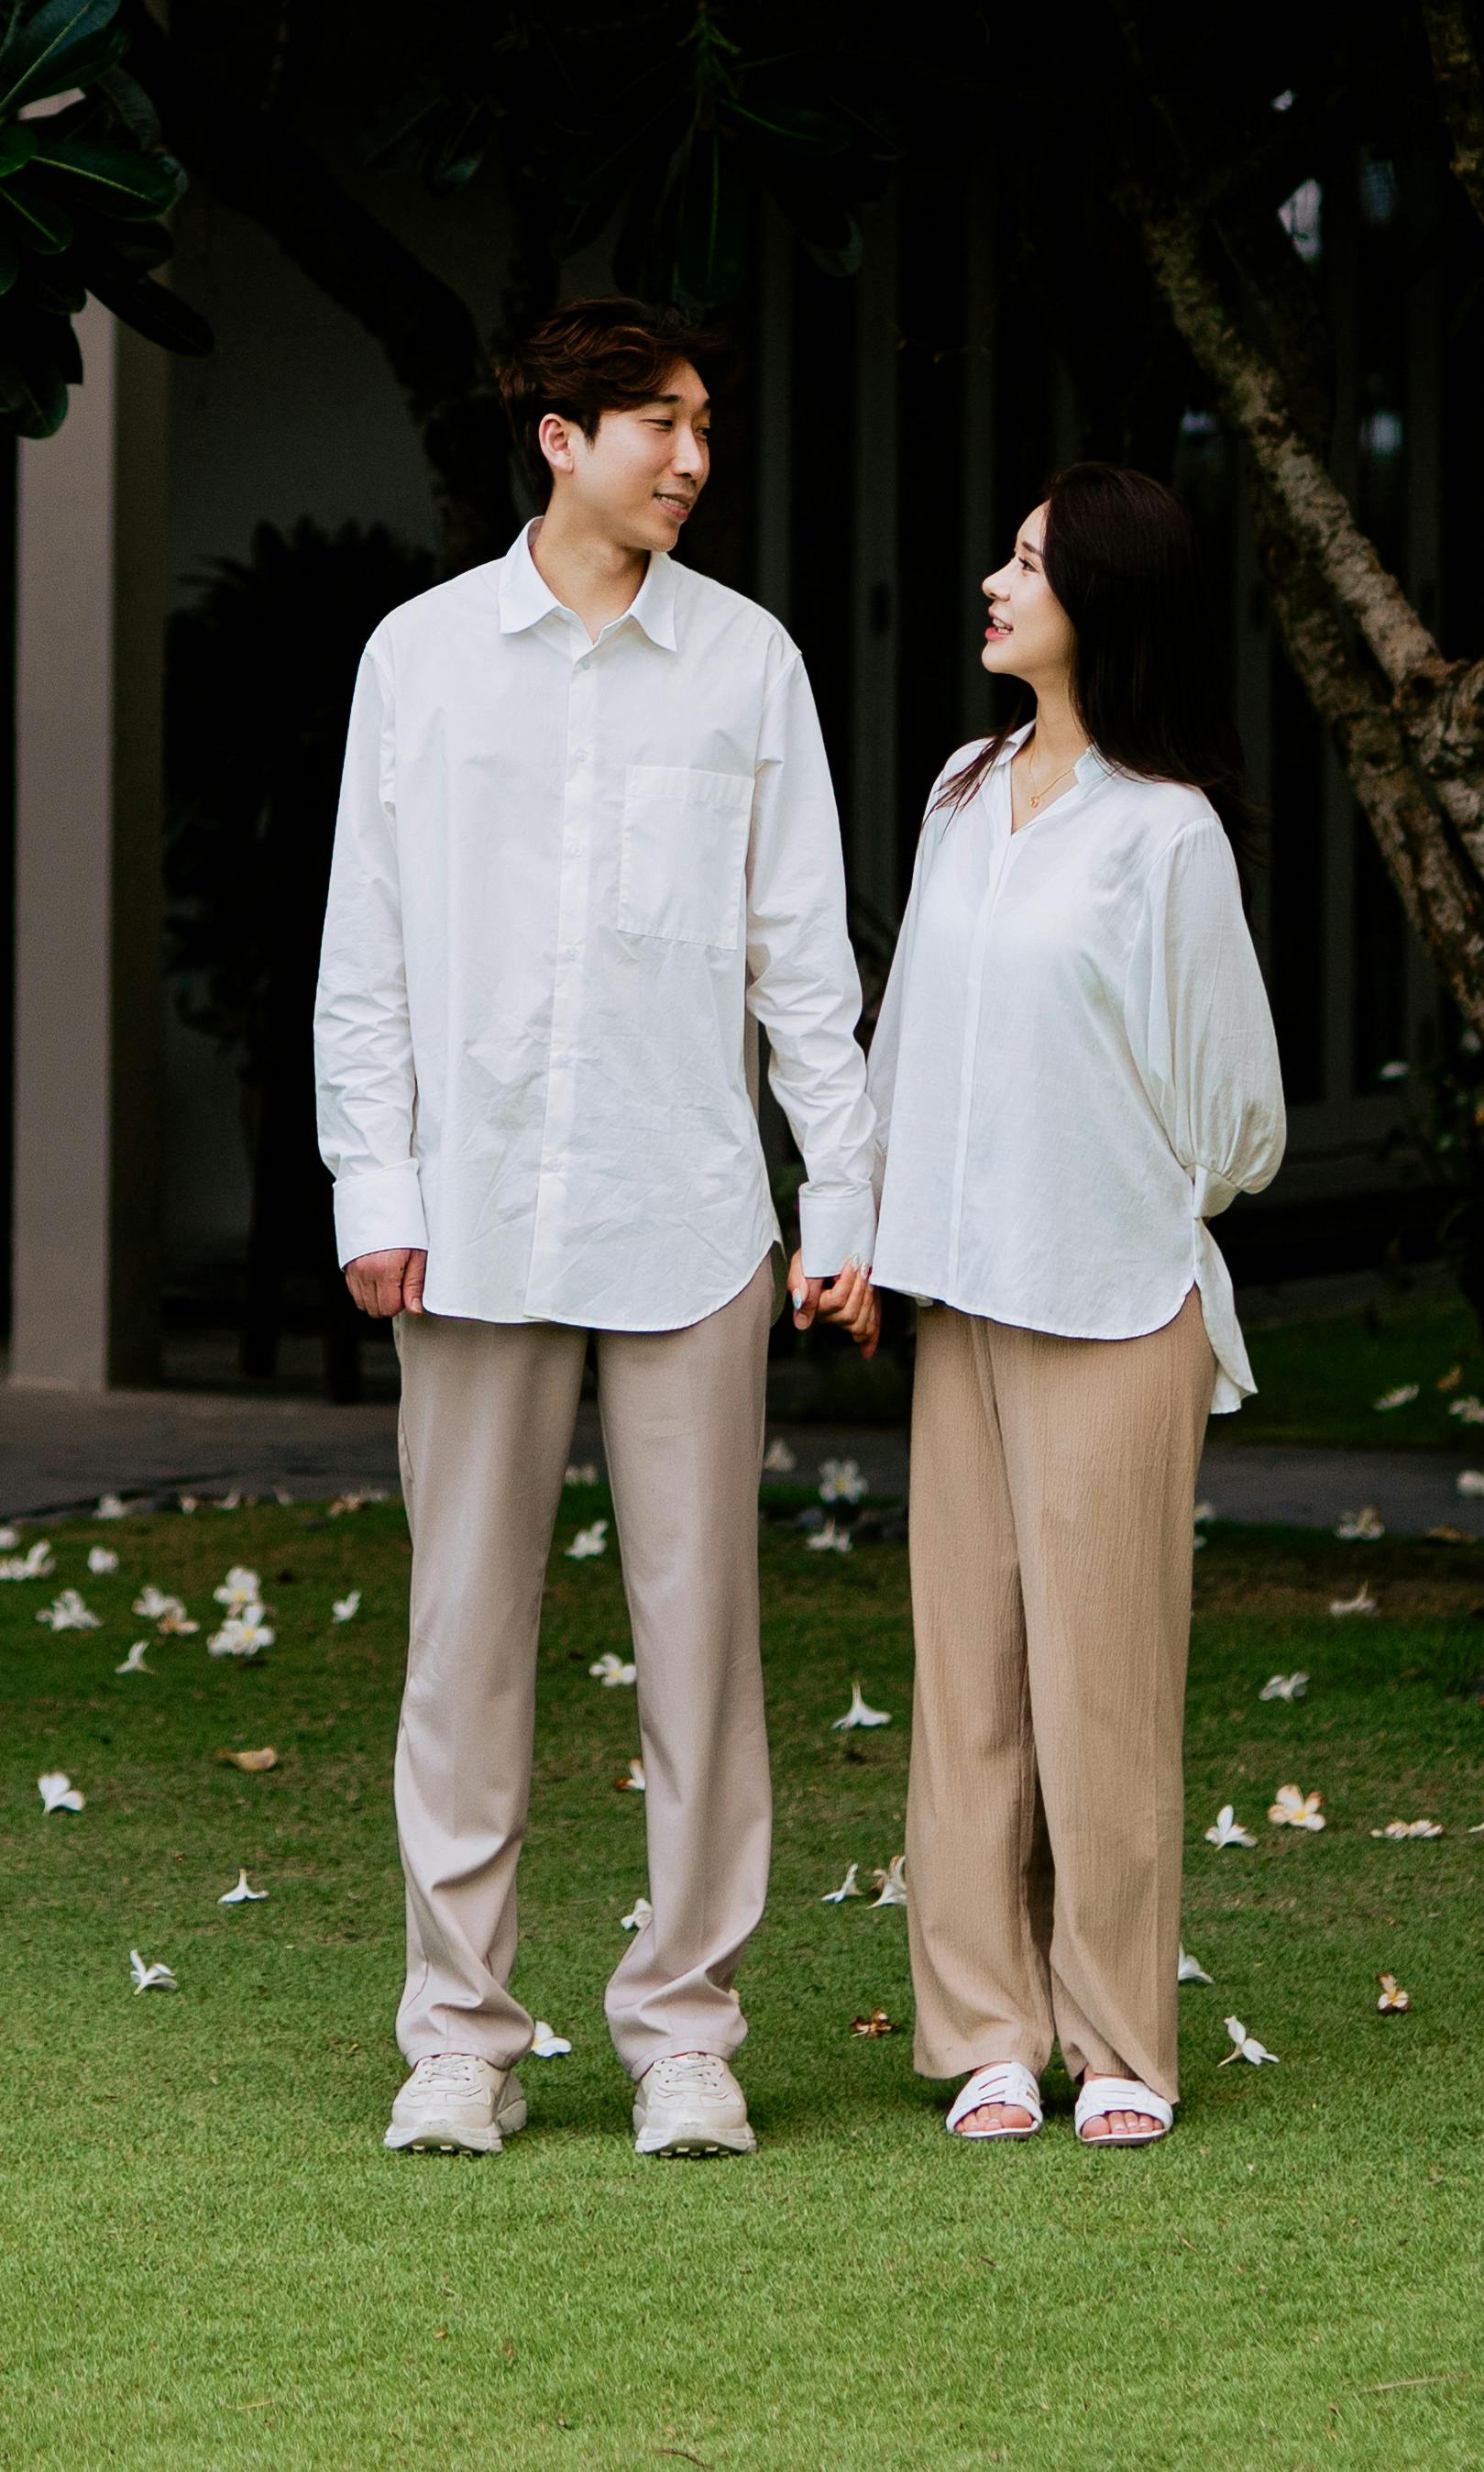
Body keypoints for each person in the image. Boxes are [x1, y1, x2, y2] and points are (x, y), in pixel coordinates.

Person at [314, 297, 880, 2162]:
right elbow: (365, 960)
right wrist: (373, 1190)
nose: (692, 456)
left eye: (704, 422)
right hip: (466, 1227)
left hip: (688, 1216)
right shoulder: (418, 662)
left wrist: (838, 1198)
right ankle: (459, 2037)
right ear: (556, 438)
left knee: (699, 1645)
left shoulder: (749, 667)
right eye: (657, 421)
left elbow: (805, 958)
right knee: (459, 1641)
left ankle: (686, 2029)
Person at [867, 461, 1285, 2149]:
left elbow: (1234, 1114)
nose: (992, 577)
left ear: (1097, 602)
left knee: (1100, 1682)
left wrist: (1109, 1196)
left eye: (1027, 560)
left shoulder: (1165, 830)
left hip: (1117, 1302)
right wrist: (866, 1221)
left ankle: (1118, 2033)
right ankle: (983, 2025)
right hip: (959, 1297)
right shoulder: (963, 789)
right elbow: (905, 1037)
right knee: (962, 1673)